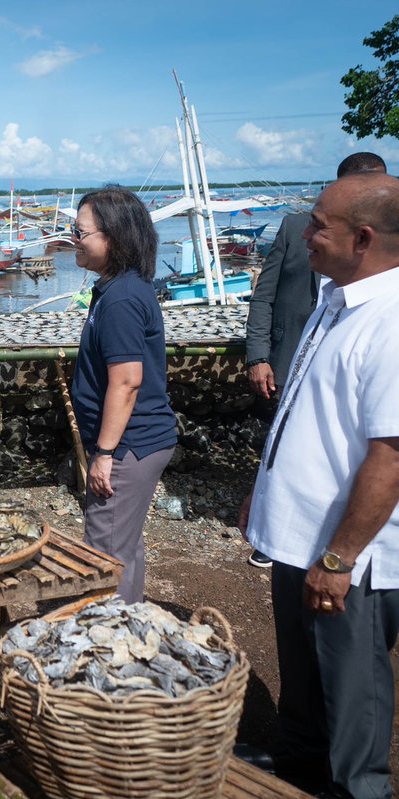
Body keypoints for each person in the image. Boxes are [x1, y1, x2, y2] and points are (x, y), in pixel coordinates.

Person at [240, 172, 399, 799]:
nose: (304, 234)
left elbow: (390, 458)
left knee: (353, 688)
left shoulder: (390, 322)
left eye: (318, 226)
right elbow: (303, 413)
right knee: (303, 673)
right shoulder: (335, 298)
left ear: (363, 239)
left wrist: (339, 558)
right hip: (297, 533)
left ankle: (358, 789)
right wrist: (264, 490)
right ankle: (300, 764)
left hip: (348, 556)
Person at [243, 152, 387, 568]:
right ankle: (277, 532)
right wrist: (258, 355)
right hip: (293, 360)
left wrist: (338, 562)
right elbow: (264, 296)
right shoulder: (297, 233)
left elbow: (387, 457)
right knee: (289, 437)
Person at [69, 186, 177, 603]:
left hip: (128, 445)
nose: (73, 240)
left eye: (80, 232)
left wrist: (105, 454)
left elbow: (127, 381)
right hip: (136, 441)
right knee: (123, 546)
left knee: (105, 553)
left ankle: (110, 631)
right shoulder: (118, 289)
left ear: (112, 238)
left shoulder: (122, 299)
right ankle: (130, 623)